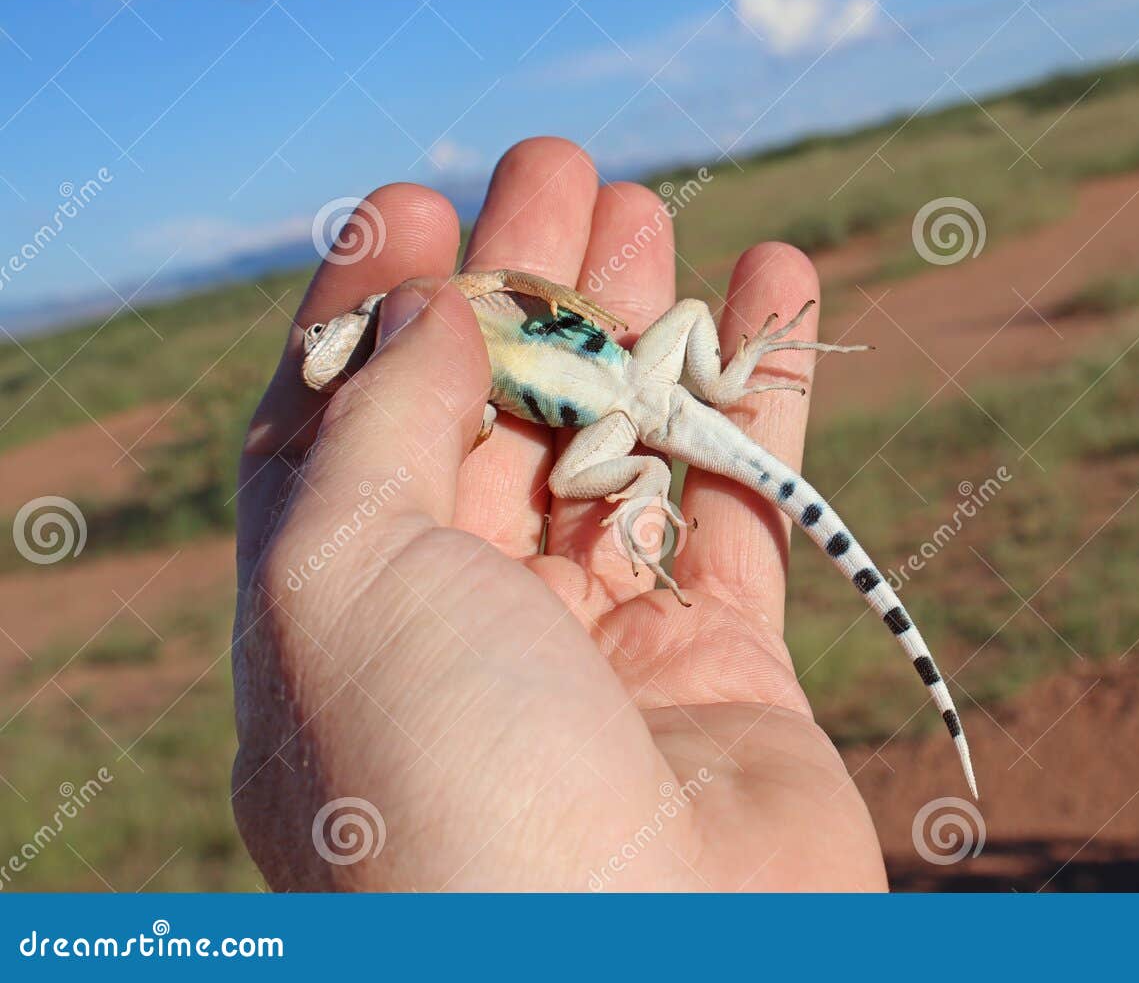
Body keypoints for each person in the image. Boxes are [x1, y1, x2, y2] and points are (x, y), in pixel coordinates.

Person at [232, 137, 887, 890]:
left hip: (638, 400)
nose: (321, 355)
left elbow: (500, 312)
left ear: (355, 324)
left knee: (644, 395)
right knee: (676, 346)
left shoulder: (418, 320)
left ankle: (699, 417)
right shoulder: (441, 318)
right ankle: (687, 431)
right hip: (629, 395)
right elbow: (487, 361)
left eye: (324, 338)